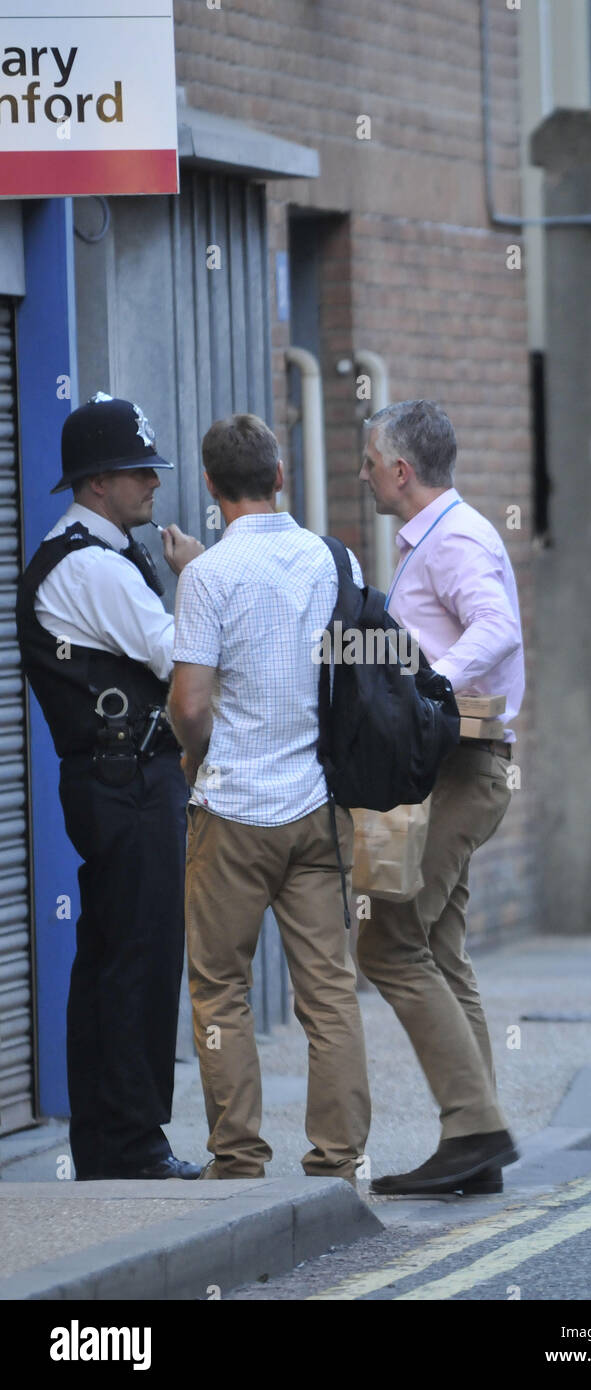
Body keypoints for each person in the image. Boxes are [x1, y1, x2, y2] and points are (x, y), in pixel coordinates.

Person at [168, 412, 371, 1182]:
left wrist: (197, 757)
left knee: (220, 990)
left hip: (230, 810)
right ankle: (337, 1158)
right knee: (328, 991)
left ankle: (239, 1156)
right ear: (281, 477)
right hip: (315, 807)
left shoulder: (209, 577)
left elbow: (190, 706)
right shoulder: (332, 561)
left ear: (212, 487)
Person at [16, 392, 205, 1180]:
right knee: (142, 955)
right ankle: (132, 1144)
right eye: (138, 471)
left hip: (112, 781)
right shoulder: (93, 567)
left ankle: (106, 1141)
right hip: (127, 783)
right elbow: (179, 655)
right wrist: (198, 579)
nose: (152, 484)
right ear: (97, 484)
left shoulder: (90, 555)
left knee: (109, 956)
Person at [357, 399, 525, 1196]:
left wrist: (432, 685)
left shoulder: (455, 538)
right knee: (443, 952)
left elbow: (495, 627)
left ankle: (476, 1129)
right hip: (454, 766)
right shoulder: (436, 538)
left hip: (464, 767)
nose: (361, 473)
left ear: (400, 470)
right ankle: (477, 1139)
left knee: (388, 942)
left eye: (367, 461)